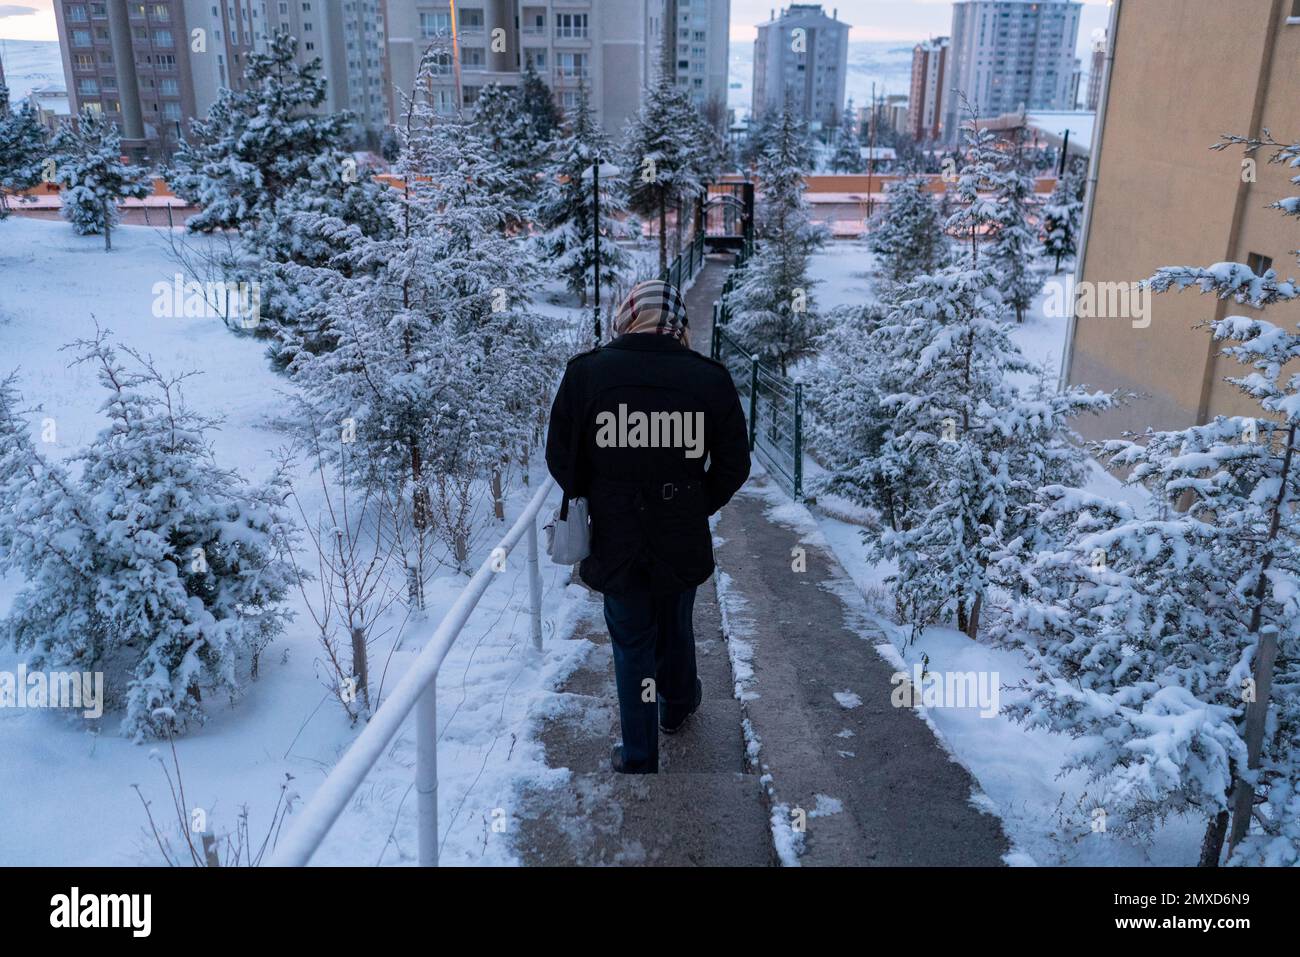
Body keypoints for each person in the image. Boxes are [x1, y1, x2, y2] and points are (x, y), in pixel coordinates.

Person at [546, 279, 751, 774]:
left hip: (615, 532)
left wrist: (597, 490)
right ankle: (677, 706)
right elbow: (734, 462)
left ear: (627, 315)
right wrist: (695, 501)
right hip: (680, 528)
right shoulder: (708, 378)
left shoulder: (587, 374)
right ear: (679, 322)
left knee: (631, 635)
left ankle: (639, 752)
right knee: (676, 620)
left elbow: (562, 458)